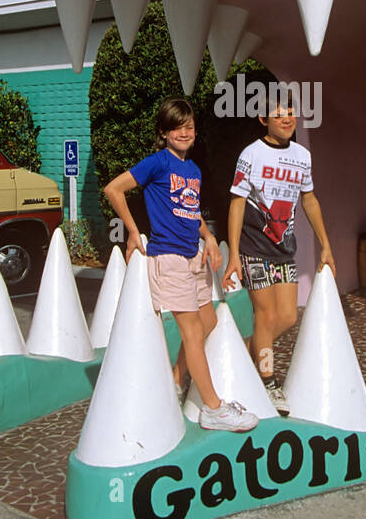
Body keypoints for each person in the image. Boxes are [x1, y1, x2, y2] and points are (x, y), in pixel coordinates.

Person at [102, 97, 257, 433]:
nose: (185, 132)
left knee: (208, 321)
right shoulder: (157, 164)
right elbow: (114, 189)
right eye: (177, 127)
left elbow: (191, 212)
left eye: (189, 126)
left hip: (194, 256)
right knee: (191, 332)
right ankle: (213, 409)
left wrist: (211, 239)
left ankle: (174, 381)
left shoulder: (193, 170)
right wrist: (132, 231)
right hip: (168, 257)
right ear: (164, 132)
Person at [223, 96, 334, 414]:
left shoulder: (302, 156)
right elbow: (237, 203)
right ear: (263, 119)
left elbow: (309, 200)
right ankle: (268, 382)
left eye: (290, 113)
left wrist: (325, 243)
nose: (286, 119)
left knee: (287, 316)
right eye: (278, 114)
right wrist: (233, 255)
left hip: (284, 250)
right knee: (266, 317)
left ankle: (242, 355)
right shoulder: (251, 154)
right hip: (254, 248)